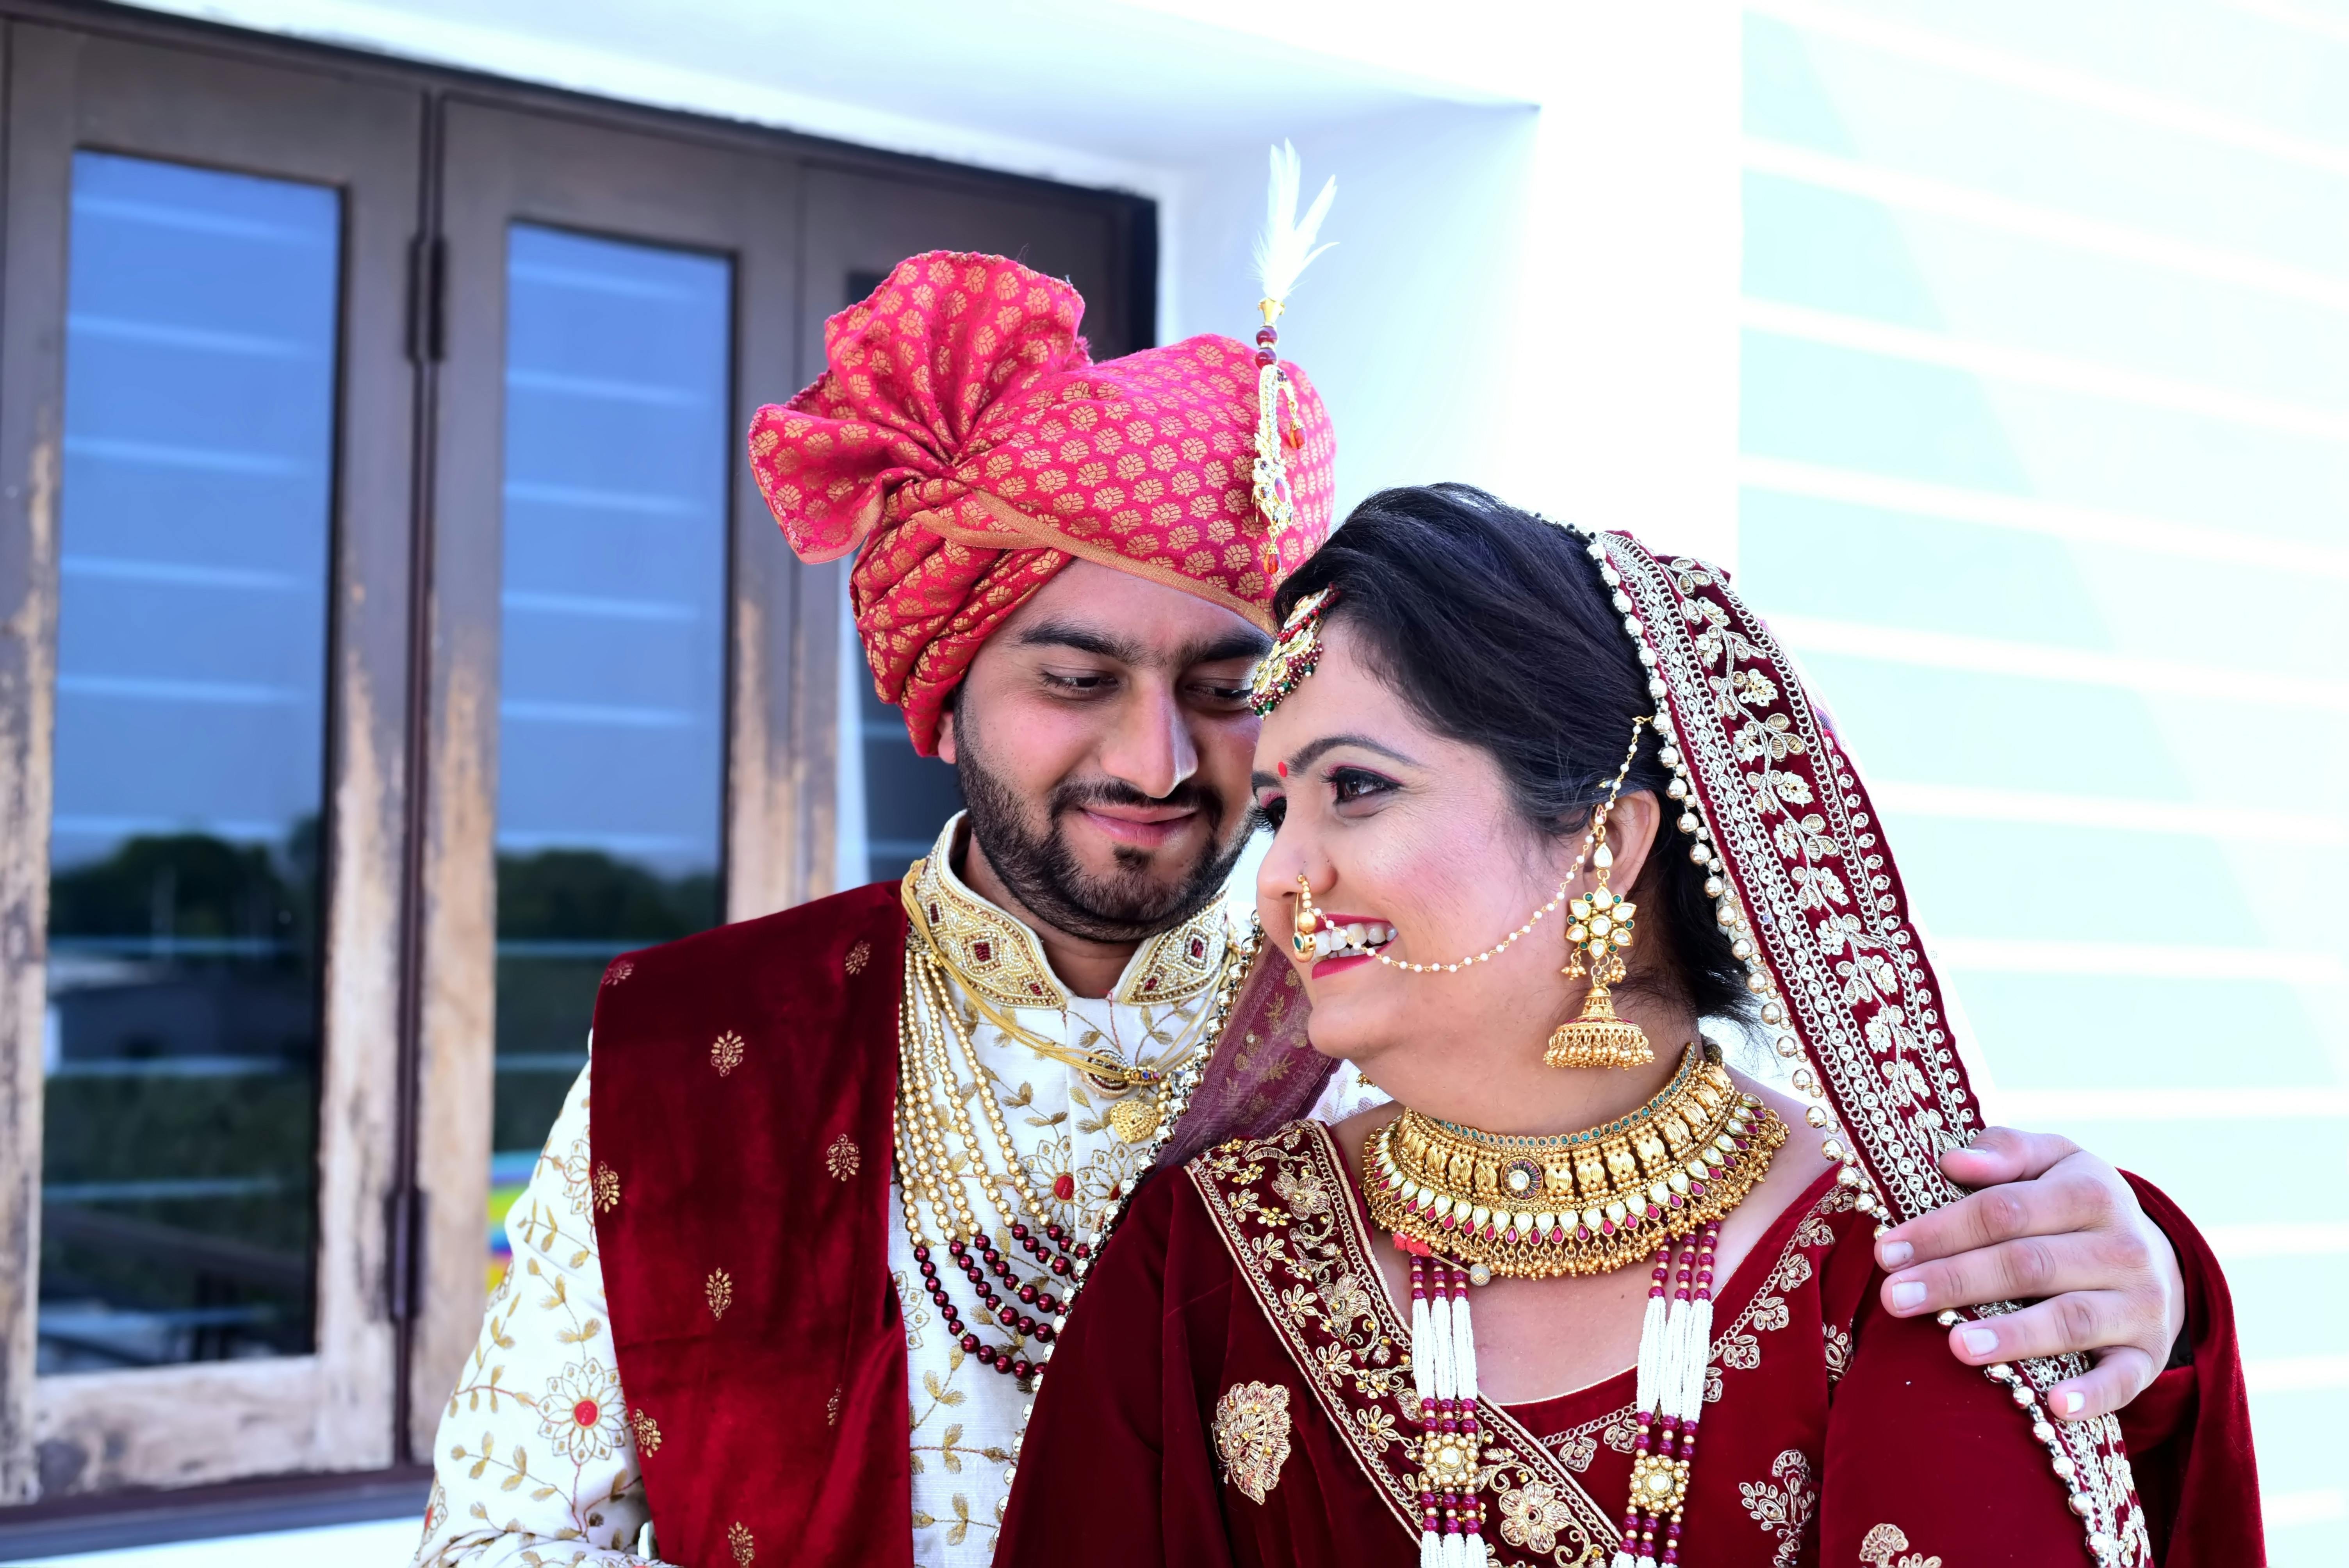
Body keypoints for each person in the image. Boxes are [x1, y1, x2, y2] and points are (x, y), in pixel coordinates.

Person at [411, 228, 2219, 1568]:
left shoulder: (1416, 1002)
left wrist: (2137, 1313)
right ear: (942, 689)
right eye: (1072, 675)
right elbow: (507, 1533)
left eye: (1226, 688)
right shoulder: (705, 1055)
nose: (1156, 755)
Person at [998, 485, 2257, 1568]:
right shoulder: (1205, 1261)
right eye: (1281, 814)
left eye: (1358, 790)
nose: (1283, 878)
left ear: (1603, 846)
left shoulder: (1918, 1268)